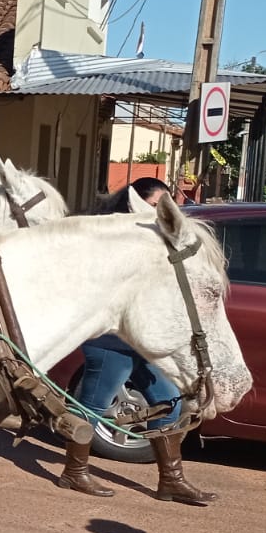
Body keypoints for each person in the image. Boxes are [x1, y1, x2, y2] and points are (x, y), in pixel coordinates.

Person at [56, 176, 217, 505]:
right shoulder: (108, 239)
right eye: (157, 205)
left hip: (141, 340)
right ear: (136, 205)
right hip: (110, 339)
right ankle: (74, 471)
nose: (163, 212)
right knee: (93, 406)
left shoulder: (153, 242)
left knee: (168, 404)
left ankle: (171, 481)